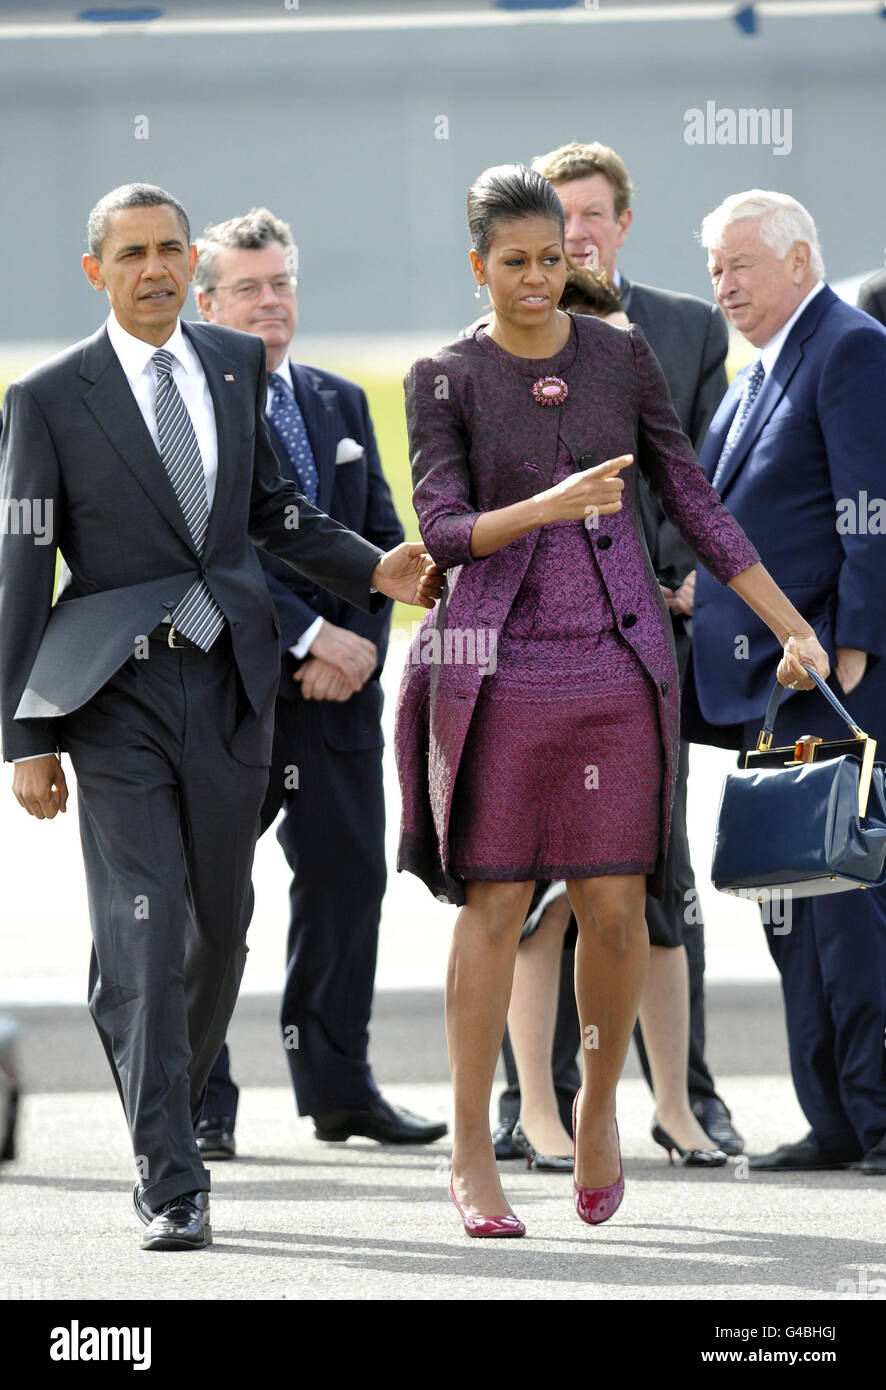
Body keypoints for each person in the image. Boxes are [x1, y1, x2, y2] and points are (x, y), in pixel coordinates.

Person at [0, 183, 441, 1252]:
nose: (153, 268)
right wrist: (25, 734)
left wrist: (374, 565)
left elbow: (272, 513)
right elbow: (20, 565)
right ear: (95, 269)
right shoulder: (50, 396)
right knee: (147, 933)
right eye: (131, 253)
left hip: (233, 685)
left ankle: (150, 1071)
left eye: (168, 249)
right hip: (113, 695)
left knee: (217, 933)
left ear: (189, 260)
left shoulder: (234, 366)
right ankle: (171, 1169)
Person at [395, 164, 829, 1236]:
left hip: (618, 662)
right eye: (515, 262)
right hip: (498, 669)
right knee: (496, 905)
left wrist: (788, 622)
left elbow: (692, 497)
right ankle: (469, 1149)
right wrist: (545, 504)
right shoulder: (442, 374)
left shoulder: (622, 357)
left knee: (619, 905)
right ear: (477, 266)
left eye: (554, 257)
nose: (539, 277)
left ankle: (598, 1109)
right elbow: (443, 528)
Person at [494, 139, 742, 1167]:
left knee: (650, 875)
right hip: (538, 641)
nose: (576, 232)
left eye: (592, 215)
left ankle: (683, 1097)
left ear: (622, 223)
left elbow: (708, 468)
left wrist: (692, 572)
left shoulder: (683, 328)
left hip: (651, 643)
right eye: (558, 217)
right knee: (530, 880)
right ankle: (533, 1102)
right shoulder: (504, 336)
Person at [192, 208, 446, 1151]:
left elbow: (380, 536)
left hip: (340, 700)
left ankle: (340, 1089)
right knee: (205, 899)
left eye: (282, 282)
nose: (270, 301)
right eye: (249, 287)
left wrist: (359, 641)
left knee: (346, 883)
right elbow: (205, 549)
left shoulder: (335, 402)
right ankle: (198, 1105)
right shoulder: (191, 405)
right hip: (231, 692)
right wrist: (305, 638)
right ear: (207, 301)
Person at [684, 189, 886, 1176]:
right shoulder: (758, 369)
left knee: (851, 905)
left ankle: (879, 1115)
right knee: (794, 903)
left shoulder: (846, 347)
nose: (722, 283)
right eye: (713, 266)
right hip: (772, 682)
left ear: (799, 260)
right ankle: (834, 1116)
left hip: (831, 679)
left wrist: (850, 636)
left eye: (740, 264)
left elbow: (871, 503)